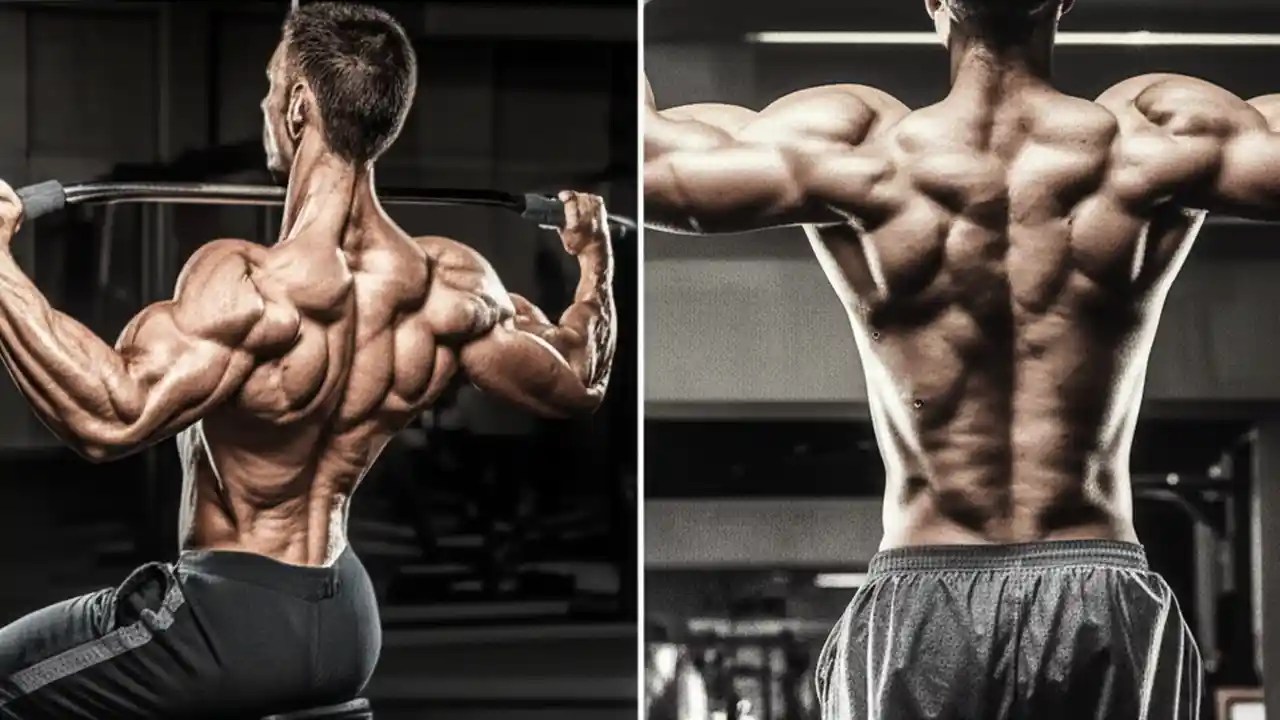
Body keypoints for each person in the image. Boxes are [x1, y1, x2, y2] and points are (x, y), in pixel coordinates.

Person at [645, 0, 1280, 717]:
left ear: (933, 2)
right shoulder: (1157, 137)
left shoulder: (858, 151)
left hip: (925, 600)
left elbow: (652, 166)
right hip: (1096, 589)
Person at [0, 3, 616, 718]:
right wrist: (596, 265)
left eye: (269, 84)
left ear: (297, 106)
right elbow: (582, 378)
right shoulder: (448, 289)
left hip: (228, 621)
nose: (262, 101)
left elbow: (109, 415)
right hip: (347, 618)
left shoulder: (253, 289)